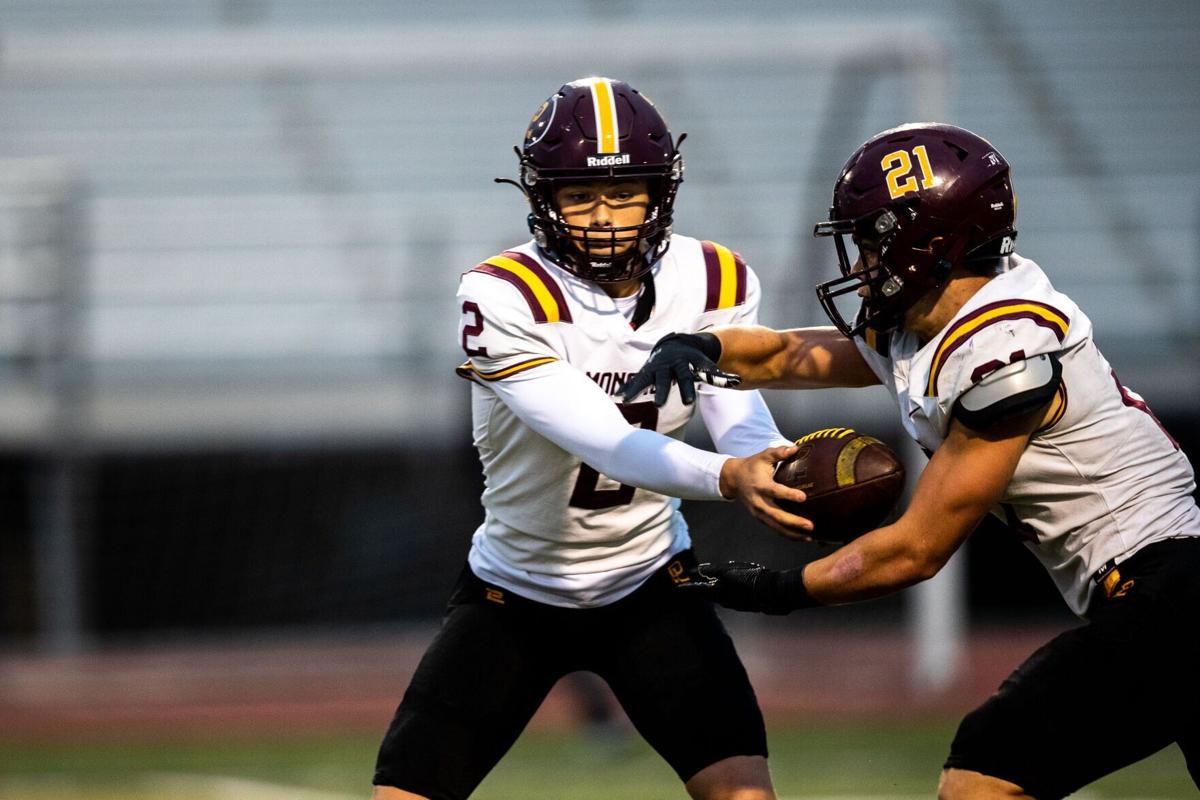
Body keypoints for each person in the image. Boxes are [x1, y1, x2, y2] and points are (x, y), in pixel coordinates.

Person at [622, 122, 1200, 799]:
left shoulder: (1004, 350)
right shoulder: (929, 319)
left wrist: (774, 590)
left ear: (929, 243)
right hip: (1155, 592)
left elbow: (916, 550)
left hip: (1171, 589)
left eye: (868, 240)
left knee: (986, 770)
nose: (857, 261)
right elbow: (785, 354)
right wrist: (703, 347)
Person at [370, 77, 809, 800]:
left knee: (745, 796)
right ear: (544, 199)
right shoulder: (504, 293)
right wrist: (731, 480)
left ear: (660, 193)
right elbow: (604, 441)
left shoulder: (716, 277)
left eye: (625, 193)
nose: (604, 218)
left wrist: (774, 464)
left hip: (649, 584)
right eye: (579, 196)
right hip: (515, 591)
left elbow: (739, 418)